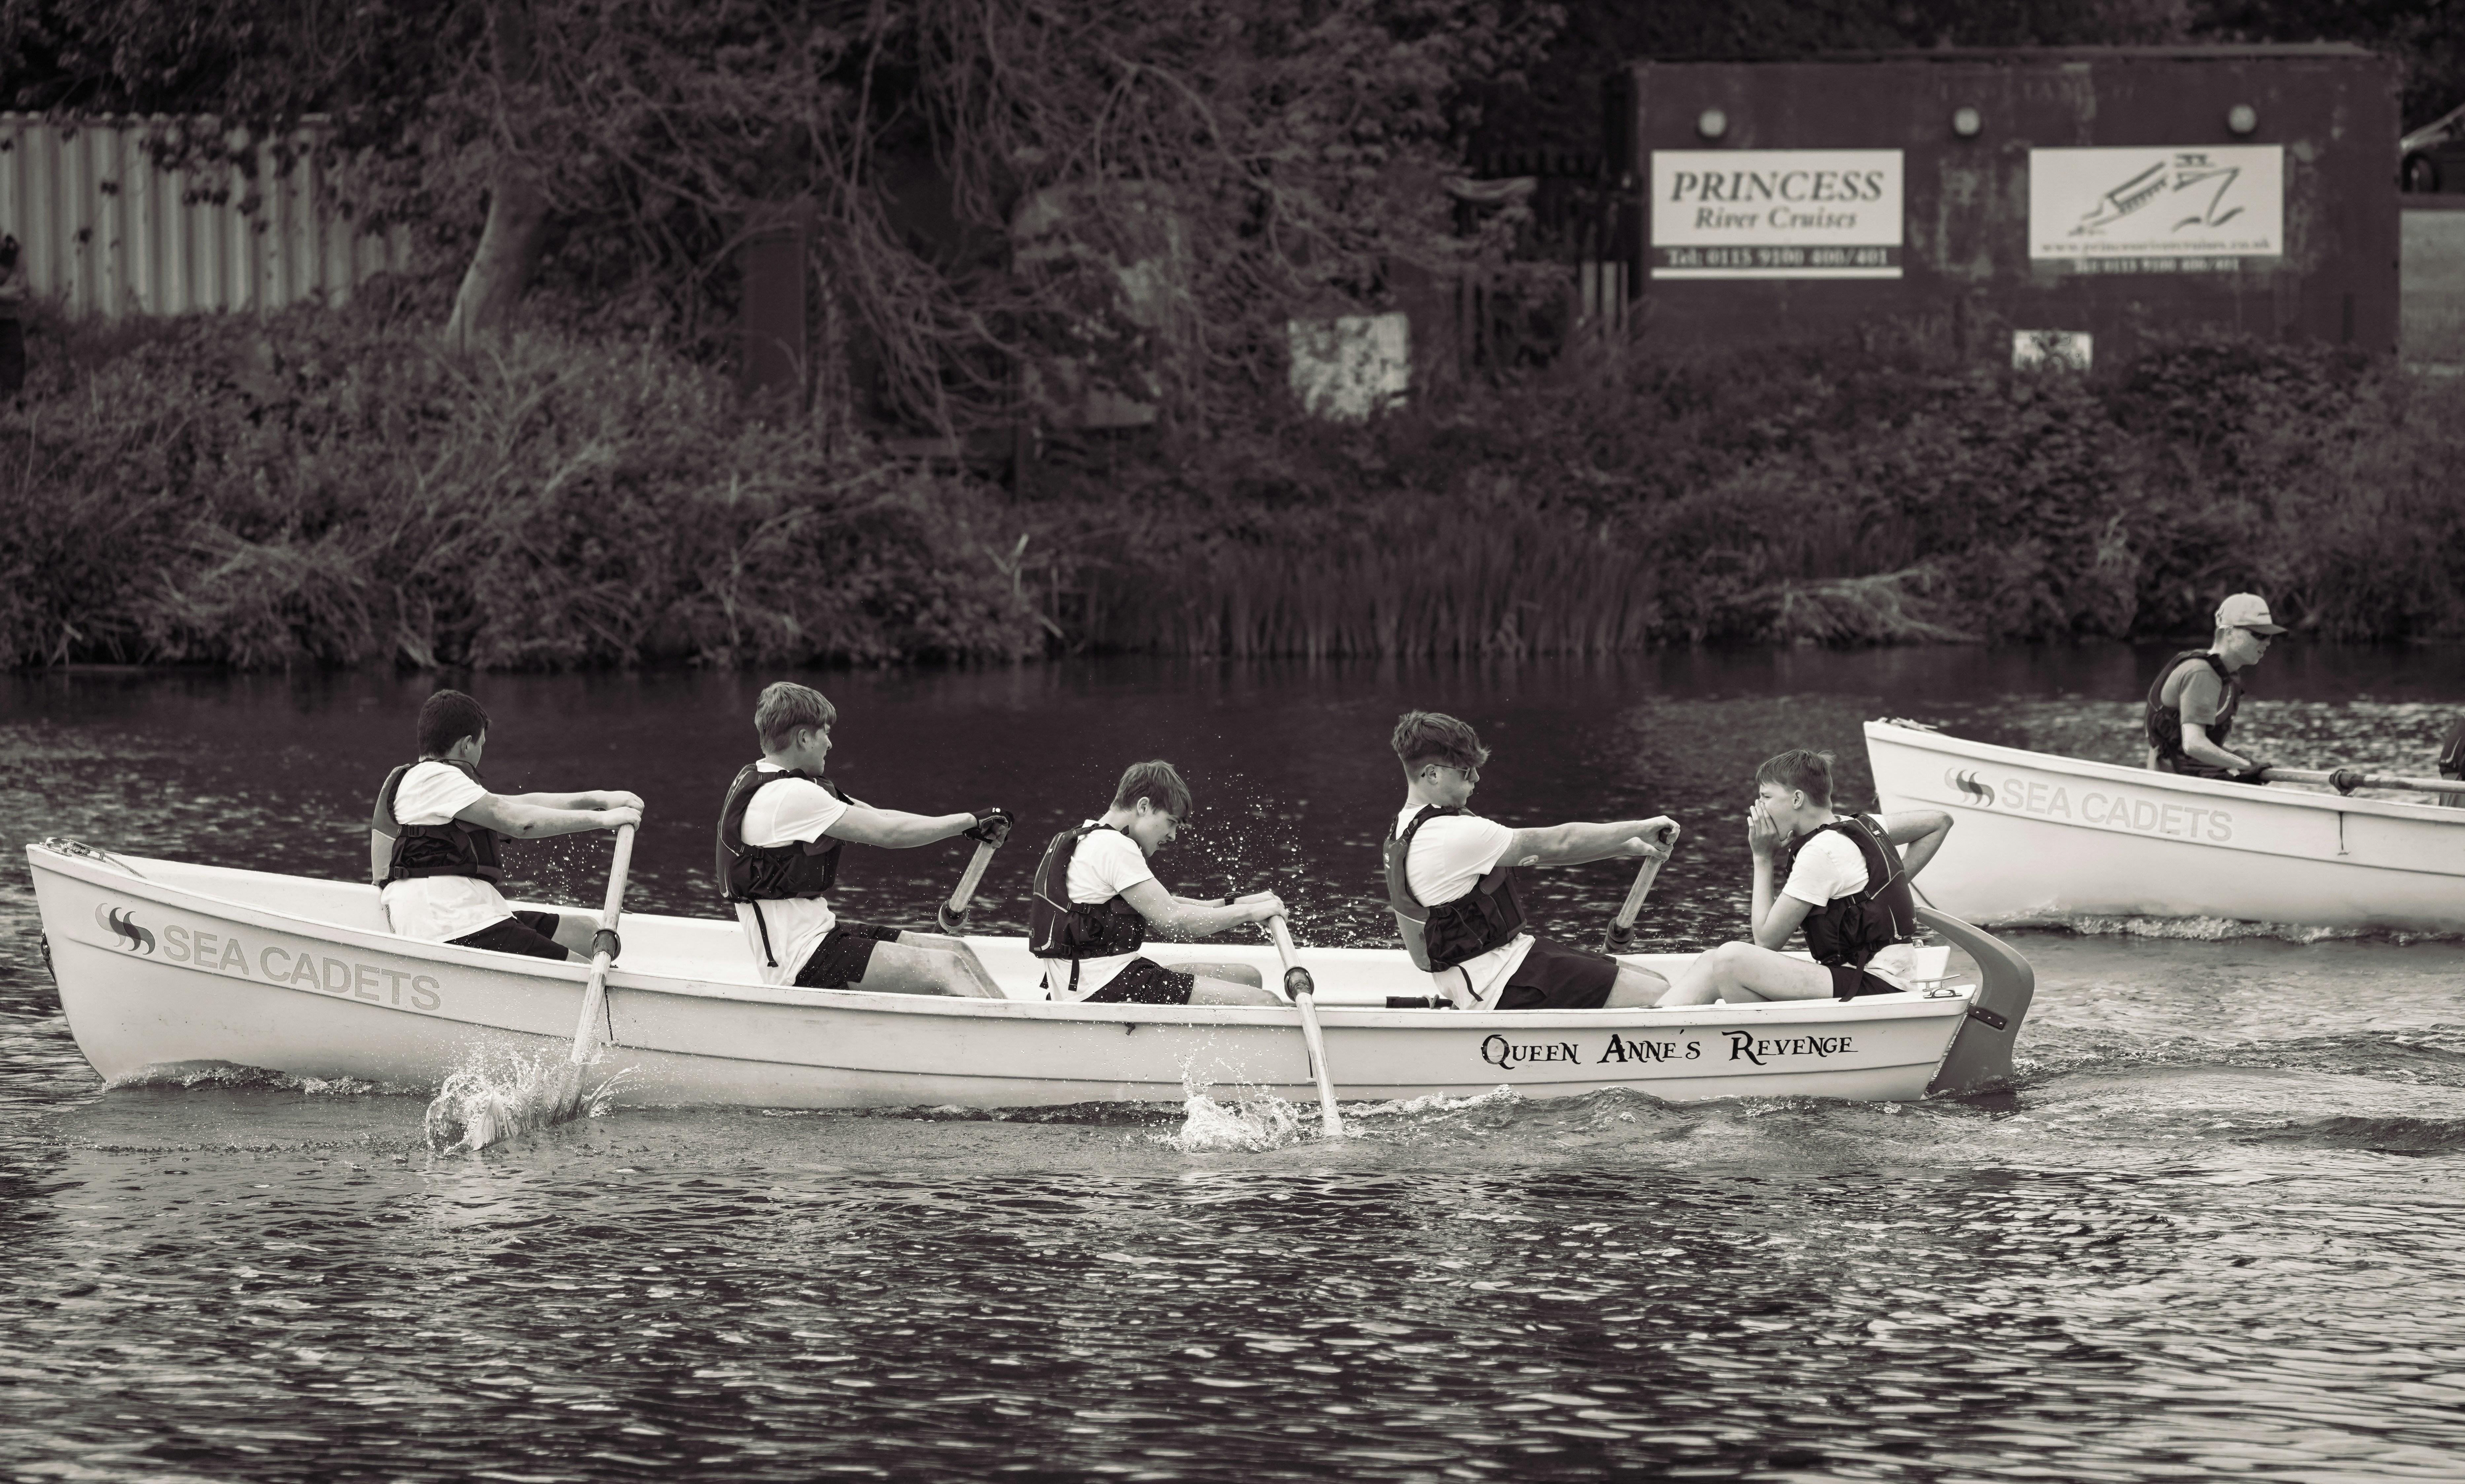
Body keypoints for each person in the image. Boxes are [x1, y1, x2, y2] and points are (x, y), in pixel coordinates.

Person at [718, 681, 1012, 998]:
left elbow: (882, 817)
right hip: (800, 963)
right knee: (947, 968)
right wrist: (970, 822)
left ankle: (1020, 1026)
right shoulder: (791, 795)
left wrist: (969, 822)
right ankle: (1017, 1042)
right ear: (804, 738)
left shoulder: (771, 782)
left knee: (957, 952)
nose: (830, 744)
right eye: (824, 734)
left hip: (821, 937)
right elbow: (890, 835)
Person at [1385, 711, 1679, 1011]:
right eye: (1466, 770)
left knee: (1656, 980)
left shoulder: (1409, 826)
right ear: (1433, 774)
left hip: (1507, 959)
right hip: (1494, 983)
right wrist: (1641, 827)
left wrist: (1628, 846)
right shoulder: (1450, 834)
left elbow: (1547, 855)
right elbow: (1561, 842)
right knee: (1661, 997)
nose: (1476, 778)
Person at [1653, 749, 1951, 1008]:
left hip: (1875, 985)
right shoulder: (1858, 825)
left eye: (1766, 797)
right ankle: (1648, 1029)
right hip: (1873, 977)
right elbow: (1938, 822)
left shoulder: (1821, 852)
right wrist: (1881, 889)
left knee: (1732, 959)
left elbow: (1767, 942)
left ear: (1797, 799)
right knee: (1711, 960)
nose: (1759, 809)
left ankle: (1764, 1053)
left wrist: (1763, 857)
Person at [369, 689, 643, 961]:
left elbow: (521, 803)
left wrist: (600, 799)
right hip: (446, 923)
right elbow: (521, 823)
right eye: (481, 745)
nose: (481, 752)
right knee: (579, 969)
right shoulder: (436, 777)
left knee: (586, 933)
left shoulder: (434, 785)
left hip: (471, 914)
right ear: (466, 745)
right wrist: (602, 820)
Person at [1027, 760, 1287, 1006]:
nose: (1173, 836)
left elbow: (1167, 905)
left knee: (1248, 977)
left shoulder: (1088, 837)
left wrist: (1237, 904)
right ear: (1143, 807)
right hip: (1100, 986)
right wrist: (1251, 913)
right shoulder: (1115, 846)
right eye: (1171, 823)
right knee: (1267, 1003)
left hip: (1097, 980)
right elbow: (1174, 924)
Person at [2145, 593, 2286, 782]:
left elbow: (2200, 747)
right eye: (2259, 635)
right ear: (2229, 633)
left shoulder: (2226, 675)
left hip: (2191, 777)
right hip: (2171, 782)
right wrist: (2243, 766)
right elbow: (2193, 744)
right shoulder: (2201, 673)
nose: (2267, 642)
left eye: (2269, 636)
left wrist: (2241, 761)